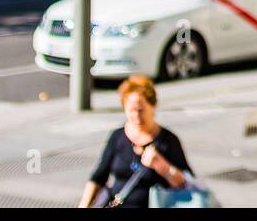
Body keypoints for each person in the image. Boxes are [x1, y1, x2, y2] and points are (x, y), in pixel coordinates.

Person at [80, 75, 191, 208]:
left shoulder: (167, 141)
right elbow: (98, 177)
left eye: (141, 110)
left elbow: (186, 184)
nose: (136, 116)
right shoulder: (118, 137)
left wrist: (162, 166)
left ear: (153, 106)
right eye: (131, 110)